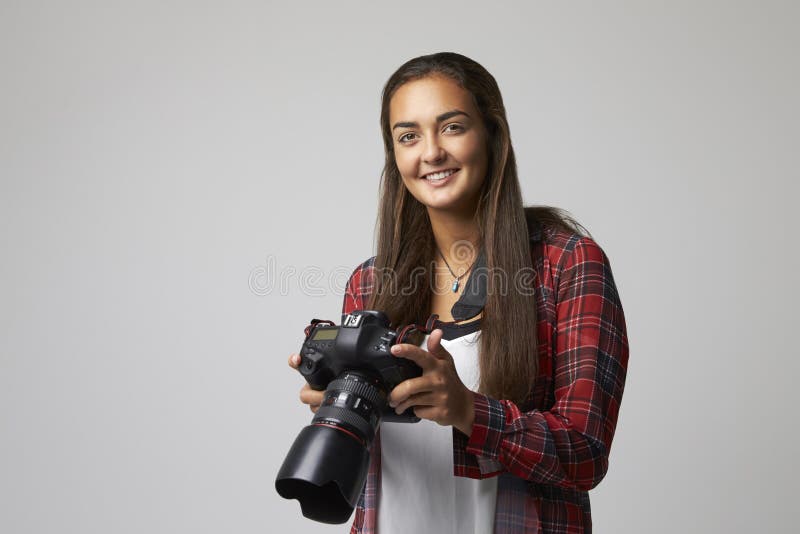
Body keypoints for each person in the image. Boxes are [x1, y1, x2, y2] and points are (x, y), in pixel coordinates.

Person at [287, 52, 629, 534]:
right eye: (408, 136)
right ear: (394, 155)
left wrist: (467, 410)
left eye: (451, 127)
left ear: (492, 135)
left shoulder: (566, 264)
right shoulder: (369, 283)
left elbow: (585, 454)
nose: (431, 153)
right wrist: (339, 401)